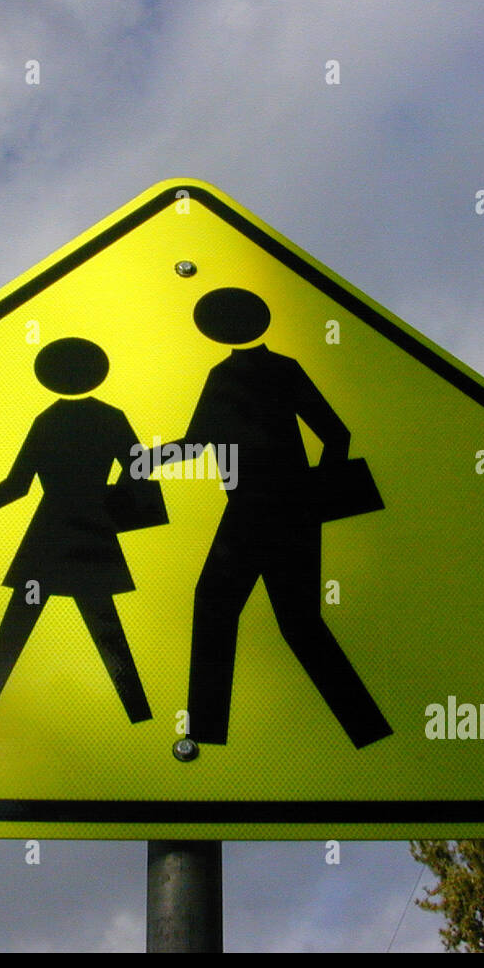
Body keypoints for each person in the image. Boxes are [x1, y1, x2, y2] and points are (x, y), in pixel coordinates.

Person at [171, 287, 392, 749]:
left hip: (262, 510)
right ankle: (367, 730)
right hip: (271, 510)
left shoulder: (265, 371)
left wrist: (315, 495)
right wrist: (144, 460)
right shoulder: (242, 372)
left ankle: (206, 736)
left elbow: (335, 433)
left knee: (227, 606)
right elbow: (199, 442)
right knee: (291, 620)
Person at [0, 337, 159, 725]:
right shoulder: (110, 417)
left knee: (16, 625)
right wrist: (119, 509)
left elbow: (18, 485)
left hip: (49, 533)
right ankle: (140, 716)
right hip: (91, 532)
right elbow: (140, 467)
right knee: (106, 626)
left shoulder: (48, 420)